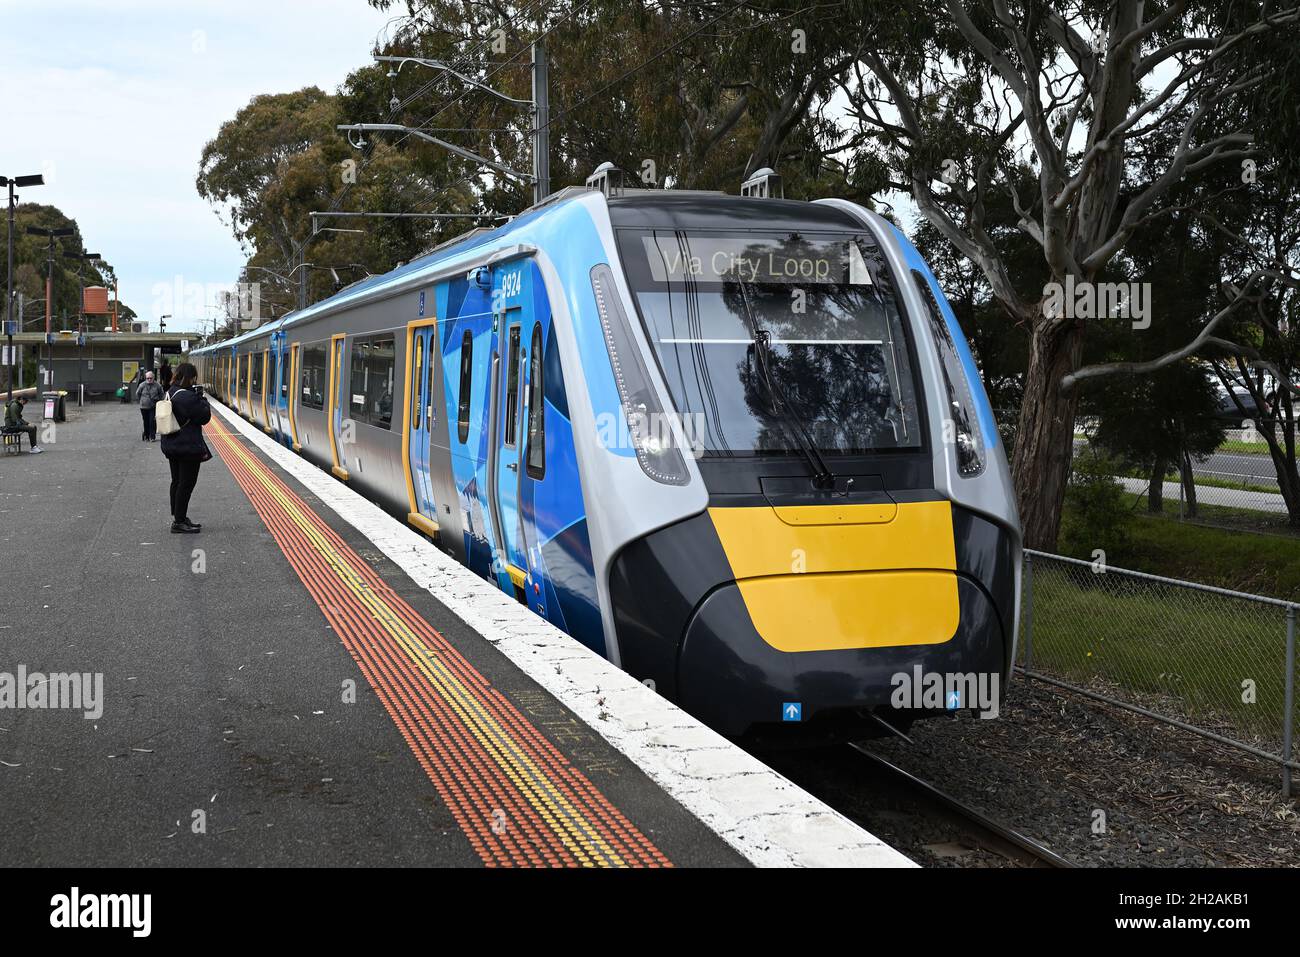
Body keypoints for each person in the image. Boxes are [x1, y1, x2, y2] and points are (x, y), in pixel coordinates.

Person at [159, 363, 211, 533]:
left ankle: (179, 516)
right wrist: (202, 398)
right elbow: (204, 417)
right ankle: (179, 522)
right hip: (186, 447)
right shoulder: (188, 397)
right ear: (190, 377)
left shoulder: (170, 392)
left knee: (177, 481)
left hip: (172, 445)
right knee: (186, 484)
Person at [136, 371, 164, 441]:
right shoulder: (142, 385)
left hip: (153, 406)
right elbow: (138, 393)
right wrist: (142, 400)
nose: (149, 380)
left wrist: (159, 402)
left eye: (150, 378)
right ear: (146, 378)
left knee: (152, 421)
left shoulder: (157, 385)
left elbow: (161, 394)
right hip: (144, 406)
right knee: (146, 421)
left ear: (153, 378)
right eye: (147, 378)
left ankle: (152, 436)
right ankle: (146, 435)